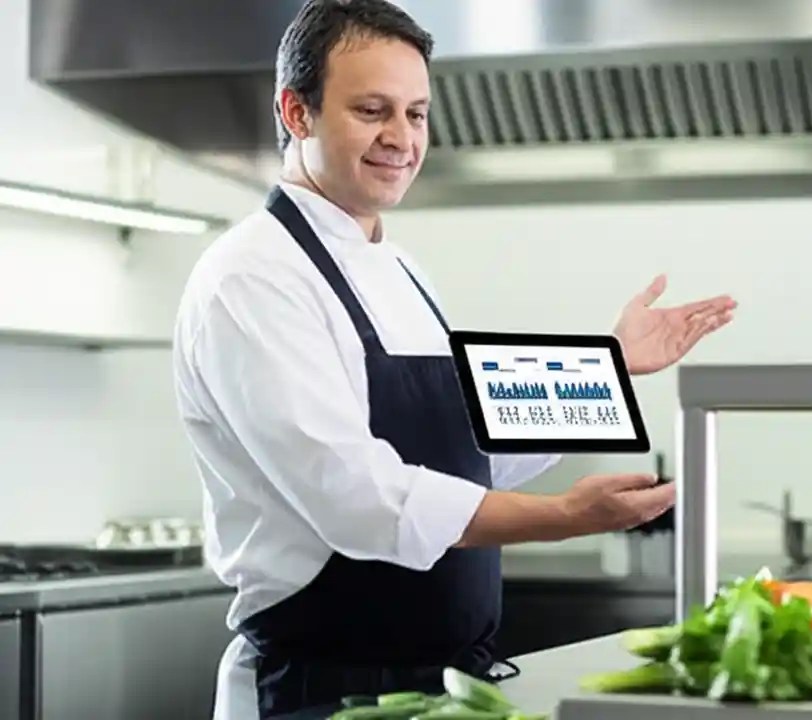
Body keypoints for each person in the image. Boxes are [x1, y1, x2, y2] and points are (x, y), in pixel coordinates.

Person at [170, 2, 737, 717]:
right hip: (322, 690)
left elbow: (467, 452)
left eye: (416, 114)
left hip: (441, 686)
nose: (401, 139)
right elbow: (356, 498)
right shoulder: (251, 277)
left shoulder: (401, 269)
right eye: (372, 110)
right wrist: (561, 515)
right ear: (297, 111)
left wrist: (610, 364)